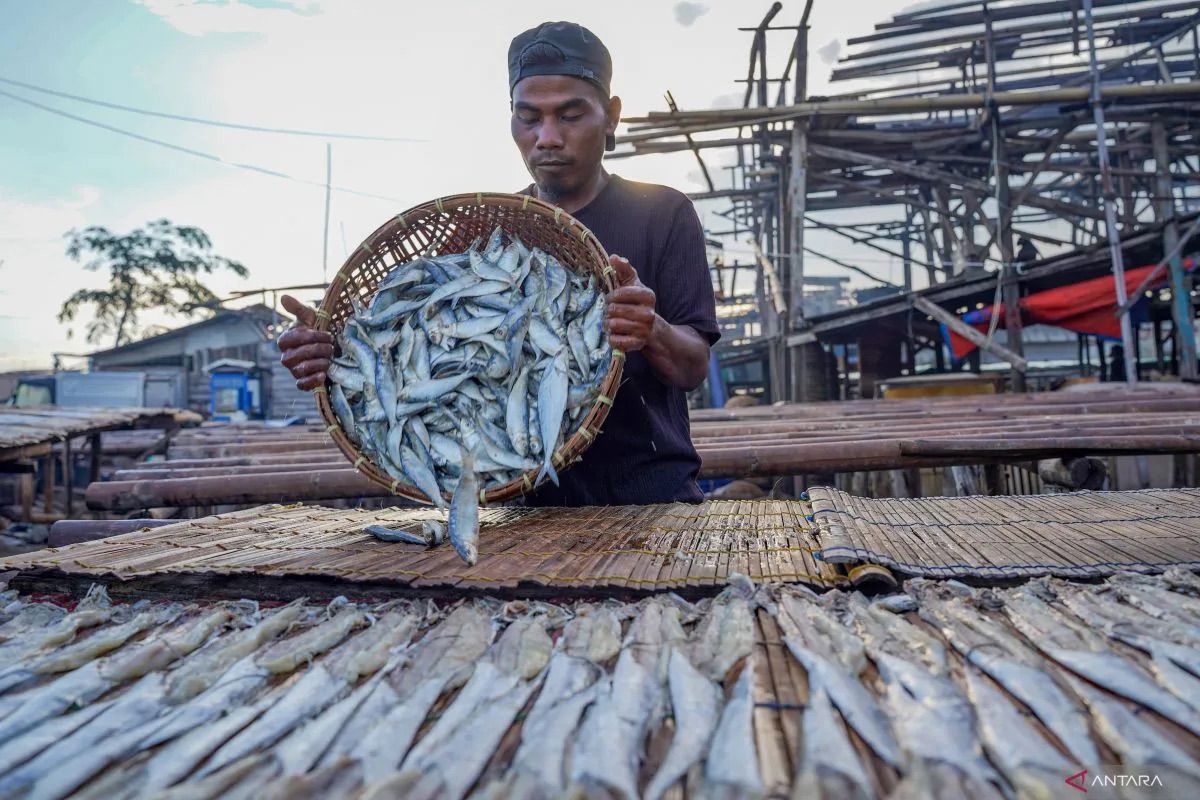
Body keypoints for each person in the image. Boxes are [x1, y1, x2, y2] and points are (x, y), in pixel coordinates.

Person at [278, 21, 720, 506]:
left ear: (611, 116)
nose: (547, 138)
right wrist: (334, 354)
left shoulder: (663, 212)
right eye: (529, 118)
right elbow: (412, 340)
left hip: (651, 501)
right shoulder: (482, 231)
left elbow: (693, 366)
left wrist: (651, 329)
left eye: (570, 115)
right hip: (519, 517)